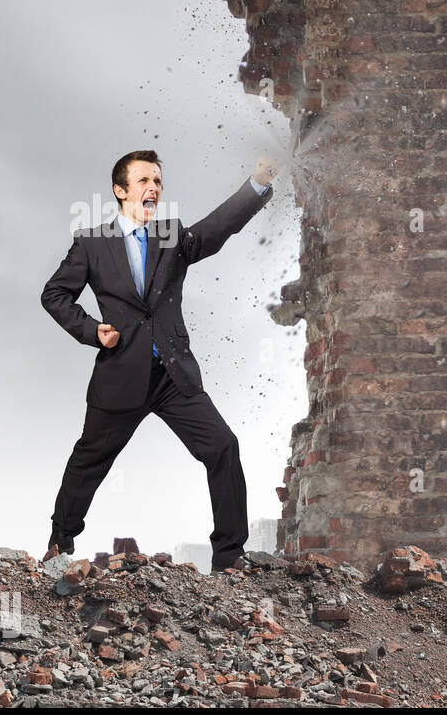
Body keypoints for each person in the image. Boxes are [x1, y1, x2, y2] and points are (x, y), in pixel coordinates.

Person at [41, 150, 276, 573]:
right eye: (146, 180)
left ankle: (229, 556)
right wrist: (92, 330)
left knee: (223, 446)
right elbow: (54, 295)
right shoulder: (92, 244)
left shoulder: (171, 235)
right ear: (120, 190)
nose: (154, 188)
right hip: (120, 374)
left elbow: (215, 230)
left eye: (159, 183)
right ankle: (60, 541)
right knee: (88, 460)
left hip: (172, 375)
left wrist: (256, 183)